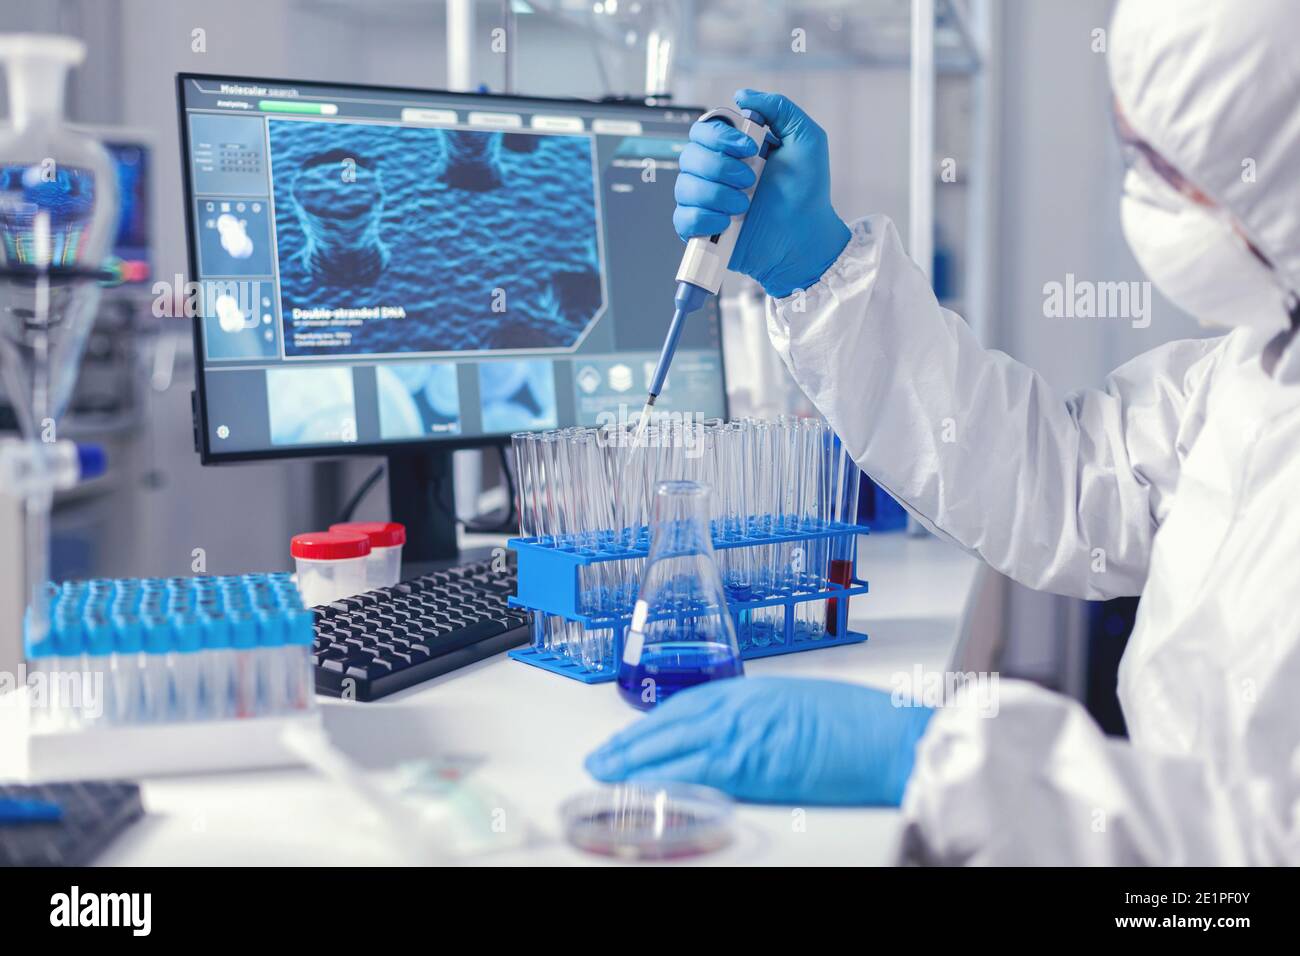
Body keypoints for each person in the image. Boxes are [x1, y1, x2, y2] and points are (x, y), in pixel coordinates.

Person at [585, 0, 1300, 864]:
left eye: (1162, 168)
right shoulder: (1264, 357)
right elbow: (1070, 482)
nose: (1136, 194)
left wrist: (949, 760)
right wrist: (815, 270)